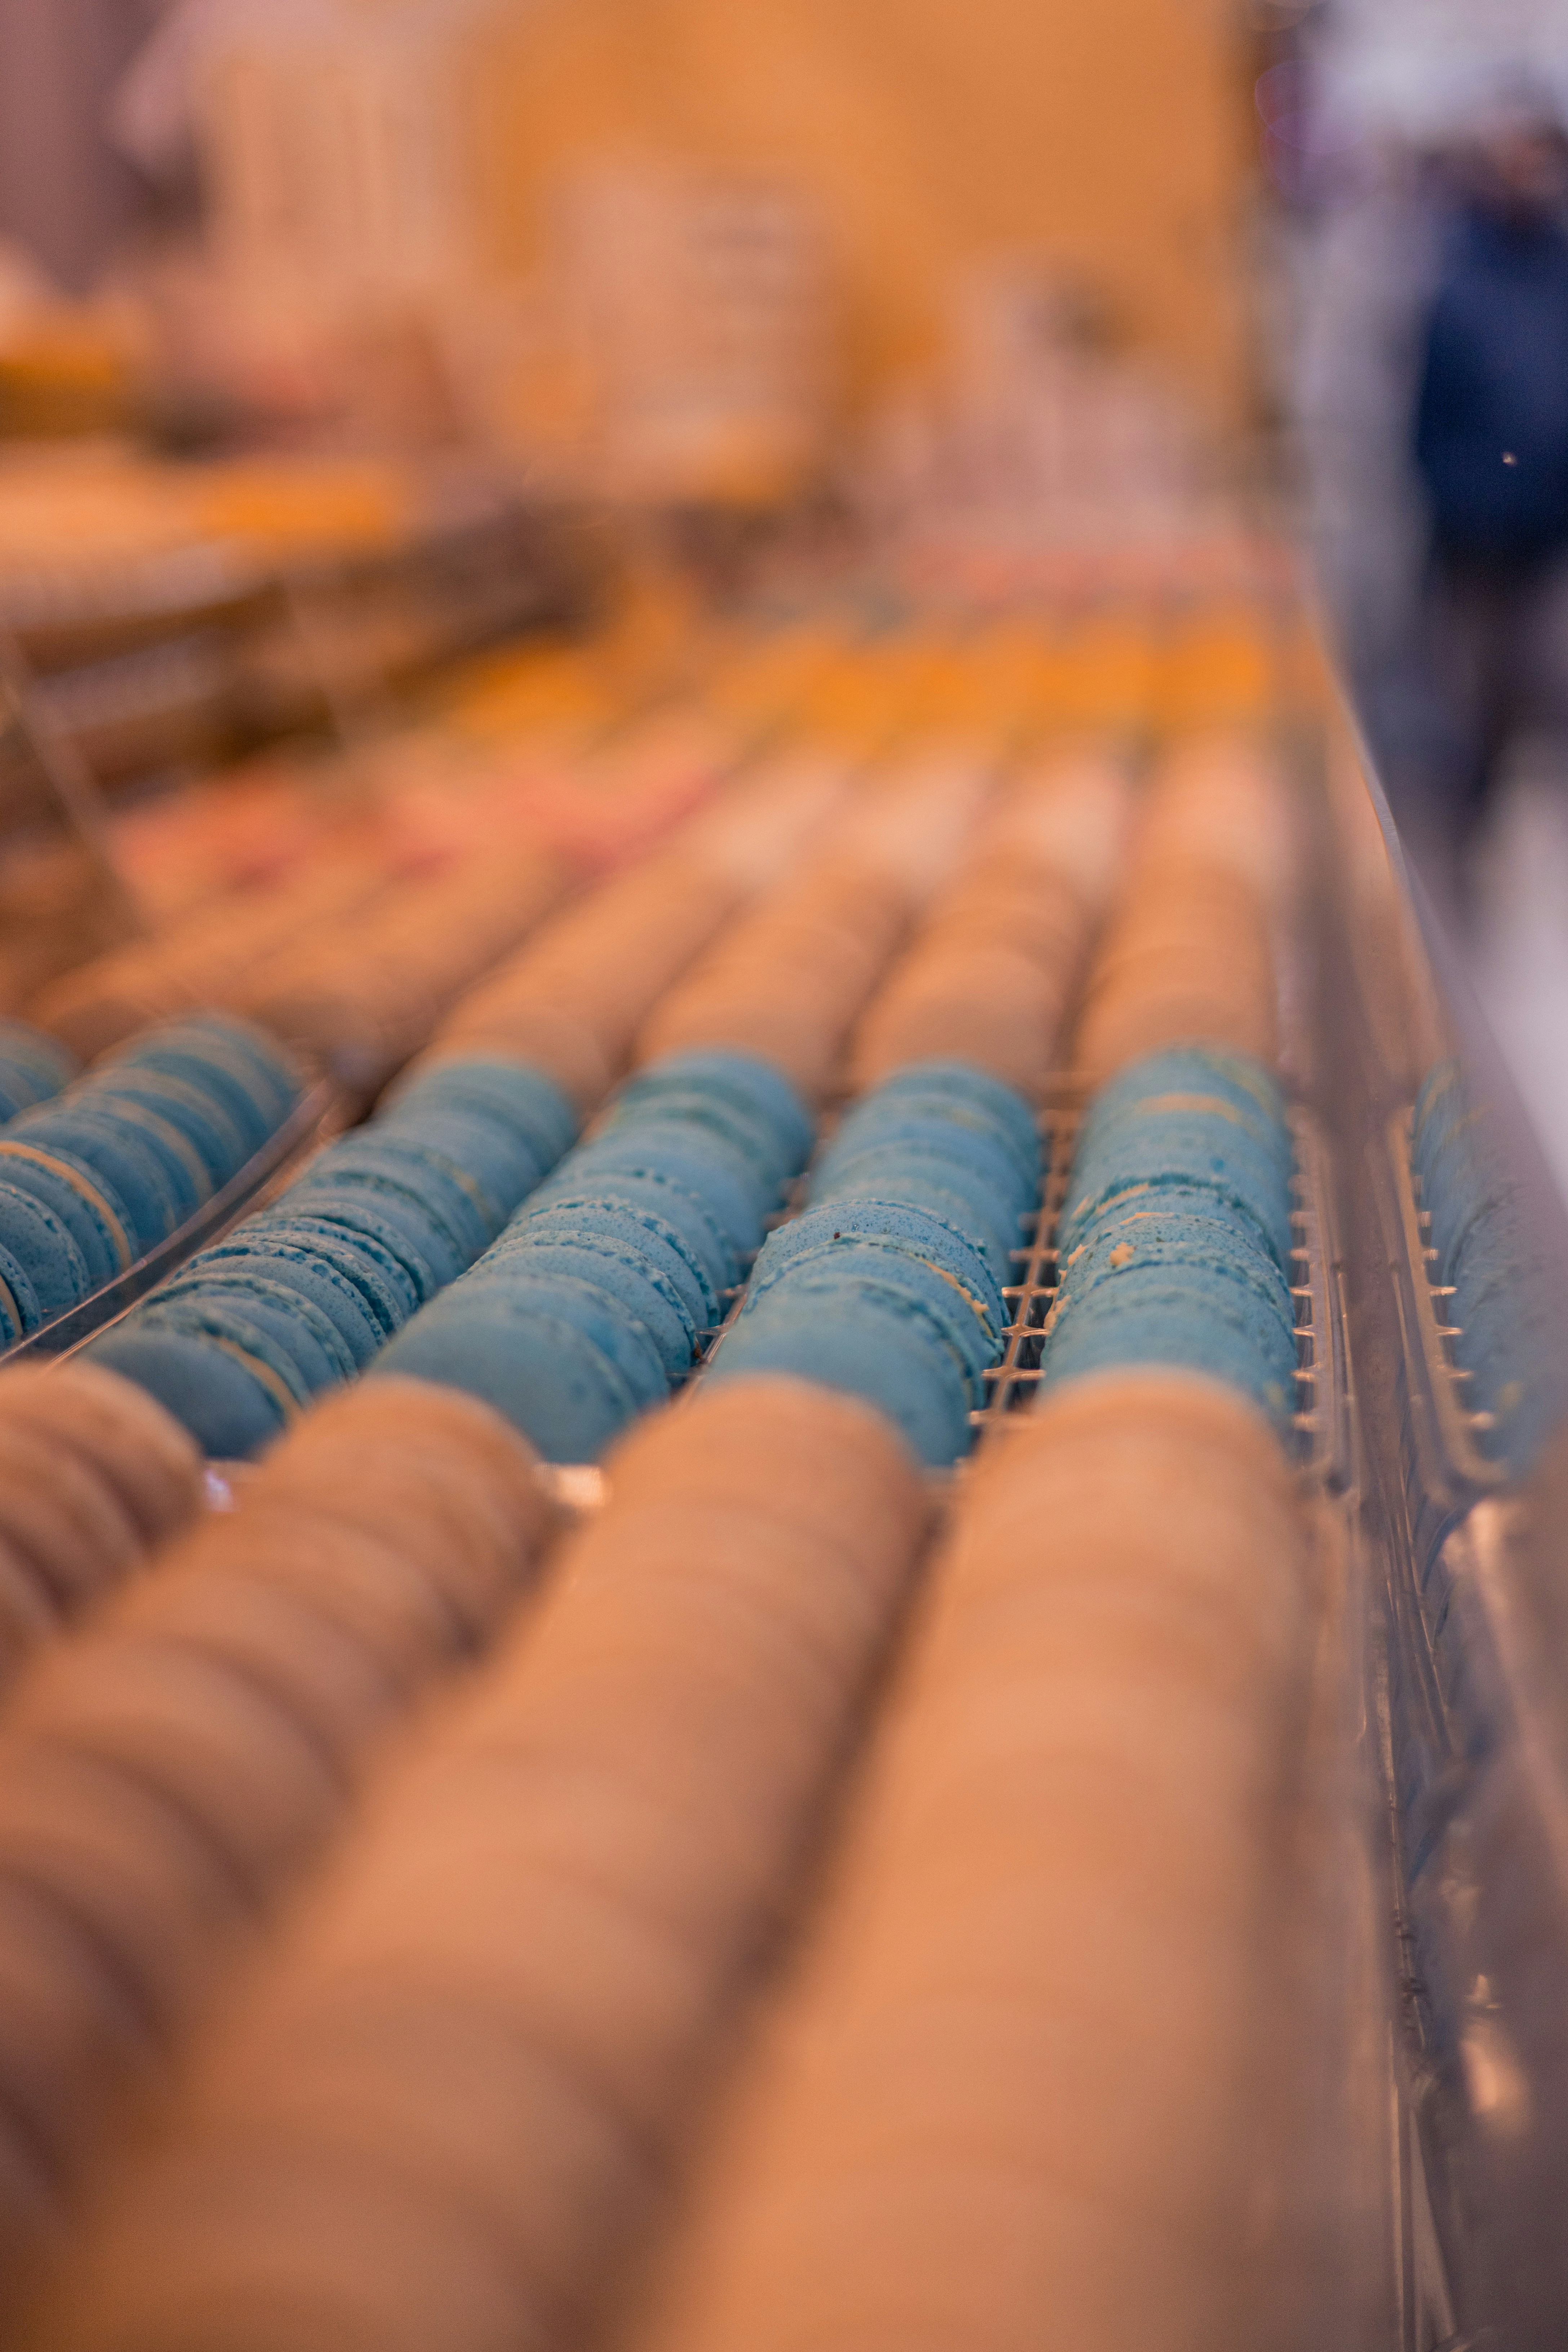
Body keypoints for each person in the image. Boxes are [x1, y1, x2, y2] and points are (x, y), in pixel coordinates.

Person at [1409, 107, 1568, 910]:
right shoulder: (1453, 280)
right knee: (1478, 706)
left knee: (1550, 685)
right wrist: (1462, 493)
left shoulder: (1559, 271)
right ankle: (1466, 854)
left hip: (1551, 530)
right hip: (1475, 535)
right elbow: (1424, 420)